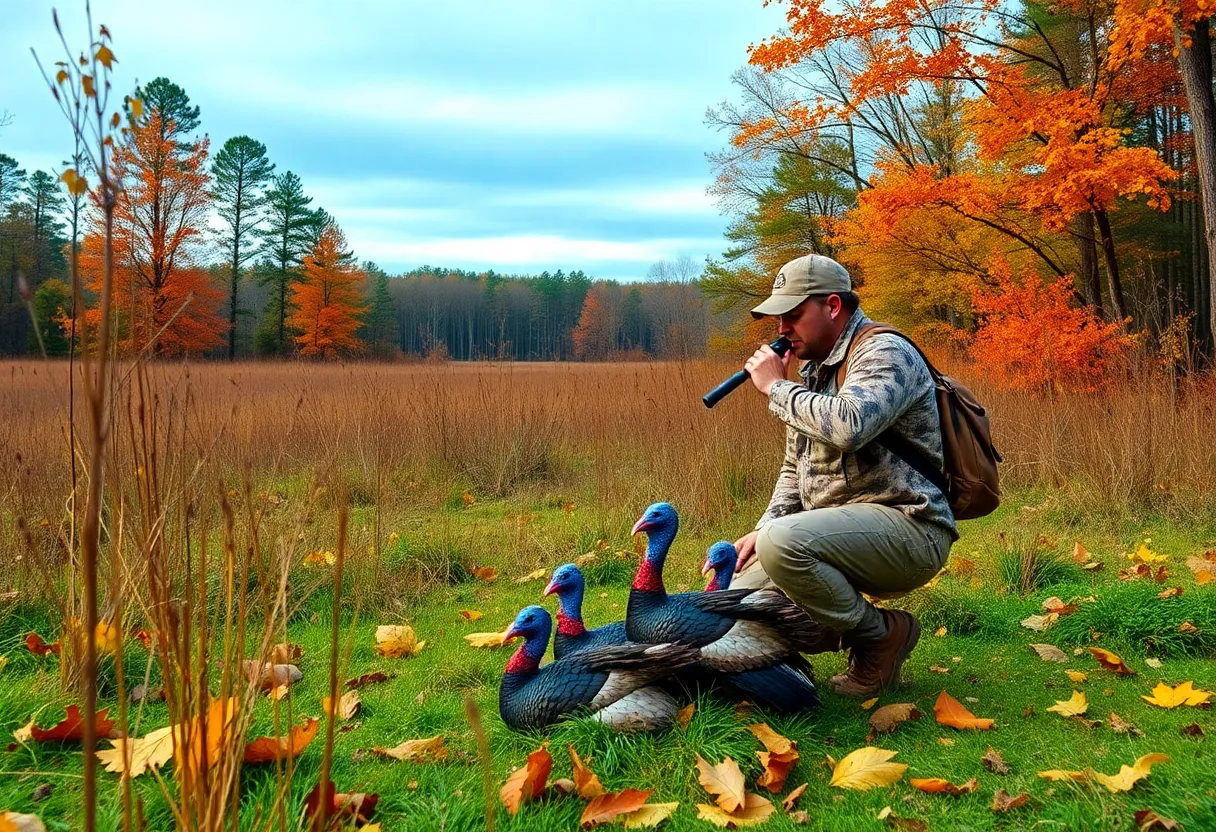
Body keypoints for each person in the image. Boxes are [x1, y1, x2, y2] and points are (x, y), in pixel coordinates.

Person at [731, 253, 957, 698]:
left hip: (912, 528)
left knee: (782, 544)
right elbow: (795, 467)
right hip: (836, 536)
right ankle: (787, 663)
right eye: (779, 319)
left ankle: (881, 636)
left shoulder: (885, 351)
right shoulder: (815, 371)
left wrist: (776, 387)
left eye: (793, 315)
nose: (782, 329)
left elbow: (851, 426)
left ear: (833, 306)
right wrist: (763, 528)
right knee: (735, 601)